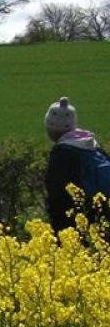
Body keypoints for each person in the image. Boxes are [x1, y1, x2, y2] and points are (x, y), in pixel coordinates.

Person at [44, 97, 110, 232]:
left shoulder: (61, 154)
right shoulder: (93, 146)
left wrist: (58, 229)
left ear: (51, 129)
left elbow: (57, 195)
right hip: (103, 215)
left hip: (77, 223)